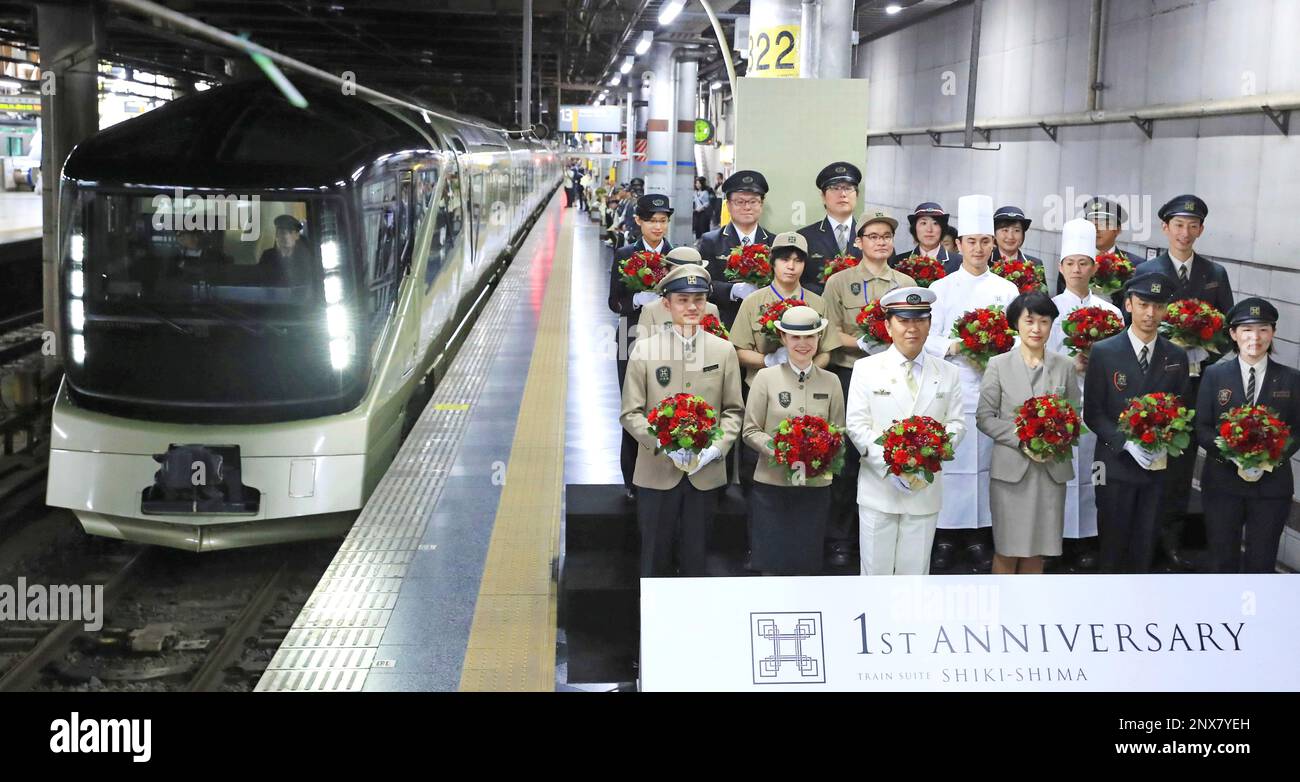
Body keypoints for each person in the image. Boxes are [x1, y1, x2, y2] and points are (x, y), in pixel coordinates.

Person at [620, 263, 745, 576]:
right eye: (682, 300)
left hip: (705, 474)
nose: (692, 307)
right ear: (666, 304)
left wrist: (716, 449)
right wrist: (662, 443)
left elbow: (733, 410)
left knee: (696, 558)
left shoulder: (723, 350)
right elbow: (630, 412)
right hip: (656, 471)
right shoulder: (645, 351)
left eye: (699, 300)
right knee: (654, 557)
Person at [1133, 194, 1233, 571]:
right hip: (1152, 381)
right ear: (1165, 228)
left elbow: (1227, 329)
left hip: (1196, 383)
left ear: (1201, 230)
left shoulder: (1214, 275)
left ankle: (1171, 537)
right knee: (1145, 452)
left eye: (1193, 226)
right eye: (1178, 225)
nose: (1185, 233)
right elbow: (1136, 326)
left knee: (1181, 460)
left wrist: (1202, 350)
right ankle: (1143, 536)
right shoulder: (1147, 270)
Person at [923, 194, 1019, 571]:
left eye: (985, 242)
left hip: (995, 390)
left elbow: (1017, 337)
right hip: (954, 386)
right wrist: (956, 344)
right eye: (971, 242)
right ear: (958, 245)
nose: (978, 249)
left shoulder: (1007, 290)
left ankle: (981, 536)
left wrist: (997, 344)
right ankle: (945, 536)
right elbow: (923, 336)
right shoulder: (941, 289)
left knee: (987, 467)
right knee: (952, 462)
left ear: (993, 246)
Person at [819, 210, 916, 568]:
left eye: (886, 236)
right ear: (859, 242)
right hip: (850, 373)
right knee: (847, 458)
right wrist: (863, 344)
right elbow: (828, 331)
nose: (880, 242)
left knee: (889, 449)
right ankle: (841, 537)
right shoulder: (839, 282)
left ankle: (884, 532)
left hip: (893, 378)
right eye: (872, 236)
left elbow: (914, 330)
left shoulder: (905, 282)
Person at [846, 286, 965, 575]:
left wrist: (925, 460)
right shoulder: (866, 368)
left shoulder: (948, 372)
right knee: (876, 575)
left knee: (915, 578)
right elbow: (857, 425)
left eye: (920, 319)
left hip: (925, 488)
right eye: (903, 320)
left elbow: (957, 423)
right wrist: (891, 465)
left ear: (929, 324)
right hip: (879, 488)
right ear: (888, 325)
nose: (912, 328)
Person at [1083, 271, 1189, 574]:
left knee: (1145, 543)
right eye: (1143, 304)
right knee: (1113, 544)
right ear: (1129, 305)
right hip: (1114, 466)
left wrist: (1166, 443)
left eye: (1157, 306)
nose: (1150, 313)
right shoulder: (1104, 351)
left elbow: (1182, 409)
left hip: (1156, 468)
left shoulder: (1175, 355)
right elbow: (1093, 412)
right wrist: (1124, 442)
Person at [977, 292, 1079, 574]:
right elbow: (984, 418)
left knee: (1039, 549)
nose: (1036, 328)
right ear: (1016, 324)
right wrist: (1024, 437)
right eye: (1029, 321)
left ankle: (1028, 612)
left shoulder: (1065, 366)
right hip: (1012, 472)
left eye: (1044, 321)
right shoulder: (998, 365)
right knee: (1008, 548)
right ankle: (1001, 614)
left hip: (1051, 471)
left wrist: (1056, 435)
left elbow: (1075, 415)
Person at [1195, 298, 1300, 573]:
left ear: (1273, 332)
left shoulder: (1291, 379)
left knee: (1262, 561)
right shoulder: (1215, 375)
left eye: (1263, 329)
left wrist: (1270, 458)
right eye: (1247, 330)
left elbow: (1298, 429)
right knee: (1221, 557)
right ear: (1233, 333)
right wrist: (1232, 456)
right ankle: (1225, 613)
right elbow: (1202, 427)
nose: (1255, 337)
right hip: (1222, 484)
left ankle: (1257, 613)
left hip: (1271, 486)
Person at [742, 305, 846, 575]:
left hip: (815, 485)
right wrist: (784, 452)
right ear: (783, 338)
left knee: (807, 562)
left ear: (819, 339)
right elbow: (750, 430)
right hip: (773, 483)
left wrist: (819, 454)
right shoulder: (765, 378)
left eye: (810, 337)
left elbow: (838, 431)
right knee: (771, 563)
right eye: (795, 337)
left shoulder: (832, 381)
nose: (803, 344)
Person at [1046, 218, 1123, 572]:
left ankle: (1088, 540)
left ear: (1094, 266)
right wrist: (1069, 362)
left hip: (1097, 409)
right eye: (1070, 263)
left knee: (1094, 475)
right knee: (1060, 475)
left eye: (1084, 263)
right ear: (1061, 267)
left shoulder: (1111, 312)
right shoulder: (1047, 310)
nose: (1077, 270)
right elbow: (1035, 356)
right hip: (1059, 405)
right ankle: (1055, 542)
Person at [609, 193, 675, 501]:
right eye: (652, 221)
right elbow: (614, 301)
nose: (658, 228)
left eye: (663, 221)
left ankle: (665, 471)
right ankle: (632, 477)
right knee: (632, 405)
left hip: (669, 339)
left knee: (666, 400)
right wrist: (635, 300)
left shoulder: (678, 255)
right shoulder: (624, 254)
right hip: (631, 337)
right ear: (639, 221)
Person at [696, 170, 777, 329]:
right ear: (728, 205)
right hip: (725, 322)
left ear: (761, 204)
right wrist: (733, 290)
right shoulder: (710, 241)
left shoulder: (774, 242)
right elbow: (703, 283)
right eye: (740, 201)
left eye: (753, 201)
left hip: (765, 323)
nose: (747, 207)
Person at [1054, 197, 1140, 302]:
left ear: (1117, 230)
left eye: (1103, 223)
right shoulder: (1071, 260)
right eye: (1092, 224)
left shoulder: (1135, 265)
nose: (1097, 229)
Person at [797, 162, 864, 295]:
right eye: (835, 188)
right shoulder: (805, 237)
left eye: (848, 188)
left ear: (857, 195)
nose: (843, 194)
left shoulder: (871, 236)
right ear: (823, 196)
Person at [636, 246, 723, 333]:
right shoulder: (651, 310)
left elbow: (718, 343)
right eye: (679, 272)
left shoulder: (710, 309)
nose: (686, 277)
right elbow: (642, 345)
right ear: (665, 271)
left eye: (695, 271)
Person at [890, 202, 961, 274]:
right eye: (923, 223)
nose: (929, 229)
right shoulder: (898, 261)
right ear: (915, 229)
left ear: (942, 229)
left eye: (935, 223)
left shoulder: (959, 262)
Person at [258, 215, 313, 286]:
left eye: (290, 232)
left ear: (297, 236)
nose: (286, 236)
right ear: (277, 235)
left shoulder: (305, 257)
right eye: (282, 232)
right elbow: (262, 282)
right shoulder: (267, 256)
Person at [989, 205, 1044, 272]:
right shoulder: (984, 262)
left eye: (1016, 230)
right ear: (994, 234)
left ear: (1023, 234)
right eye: (1005, 230)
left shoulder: (1035, 265)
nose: (1010, 236)